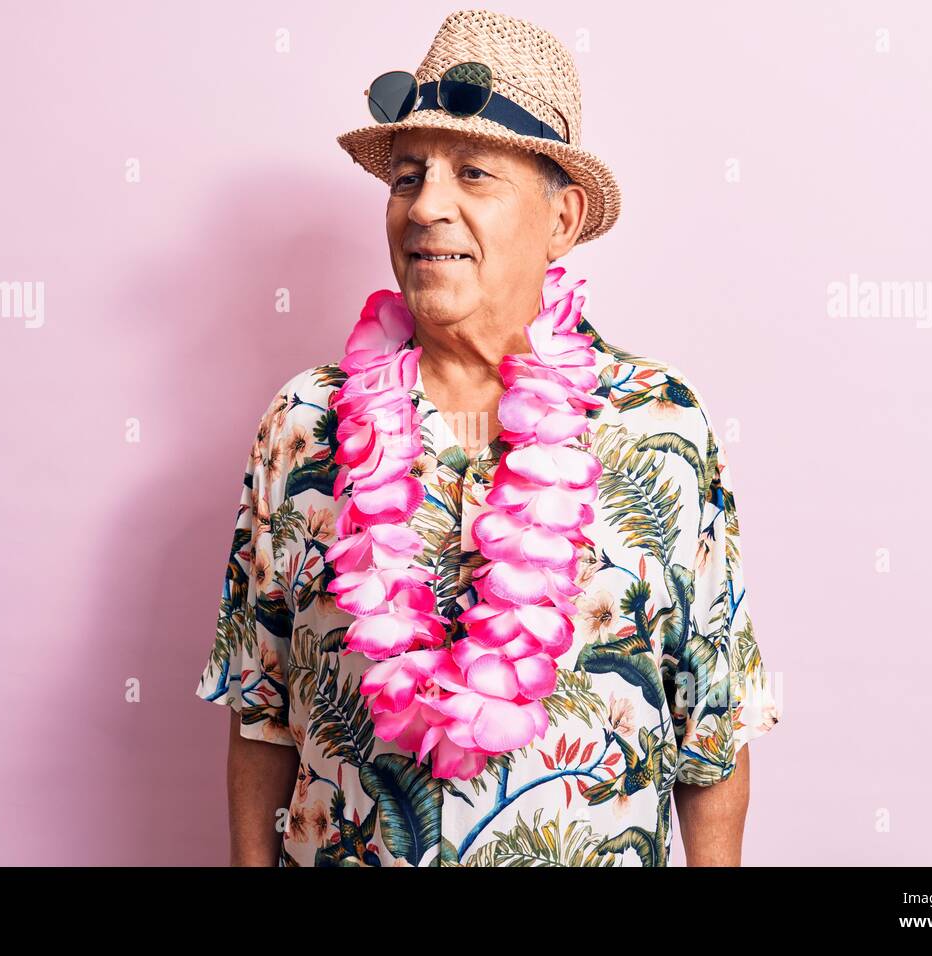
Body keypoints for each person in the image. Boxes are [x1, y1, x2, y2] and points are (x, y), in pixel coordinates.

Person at [196, 8, 780, 867]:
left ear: (563, 220)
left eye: (473, 173)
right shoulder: (302, 422)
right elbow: (261, 710)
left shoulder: (660, 423)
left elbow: (714, 730)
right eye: (407, 177)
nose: (427, 205)